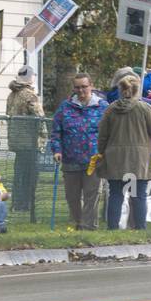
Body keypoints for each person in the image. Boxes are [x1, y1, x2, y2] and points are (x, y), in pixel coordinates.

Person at [97, 73, 151, 230]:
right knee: (138, 195)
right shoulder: (144, 108)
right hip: (138, 160)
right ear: (138, 90)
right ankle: (140, 227)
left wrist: (101, 152)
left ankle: (112, 228)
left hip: (115, 159)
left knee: (116, 194)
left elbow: (102, 134)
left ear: (121, 89)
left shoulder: (111, 109)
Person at [49, 73, 108, 230]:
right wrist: (56, 150)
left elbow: (110, 132)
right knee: (72, 196)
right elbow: (56, 132)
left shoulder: (103, 107)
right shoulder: (65, 107)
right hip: (70, 158)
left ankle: (88, 226)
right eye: (77, 87)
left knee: (92, 195)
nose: (81, 90)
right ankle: (78, 222)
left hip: (94, 159)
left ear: (91, 86)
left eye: (84, 86)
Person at [5, 65, 45, 212]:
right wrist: (43, 138)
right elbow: (40, 117)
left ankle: (17, 203)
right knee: (30, 176)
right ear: (30, 77)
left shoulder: (12, 95)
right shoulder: (30, 95)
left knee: (19, 175)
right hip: (30, 141)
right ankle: (27, 205)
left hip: (16, 140)